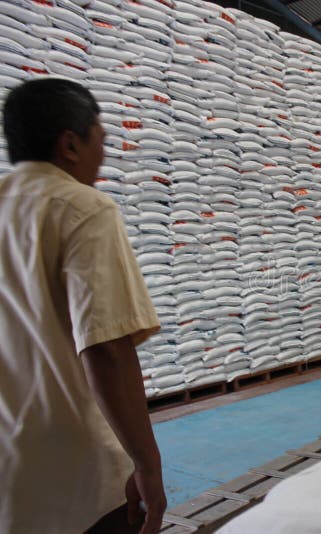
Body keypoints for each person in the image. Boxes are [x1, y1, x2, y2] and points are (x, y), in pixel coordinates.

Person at [0, 79, 166, 533]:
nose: (103, 155)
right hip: (77, 476)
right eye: (101, 141)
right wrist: (147, 465)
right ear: (71, 144)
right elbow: (106, 349)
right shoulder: (82, 208)